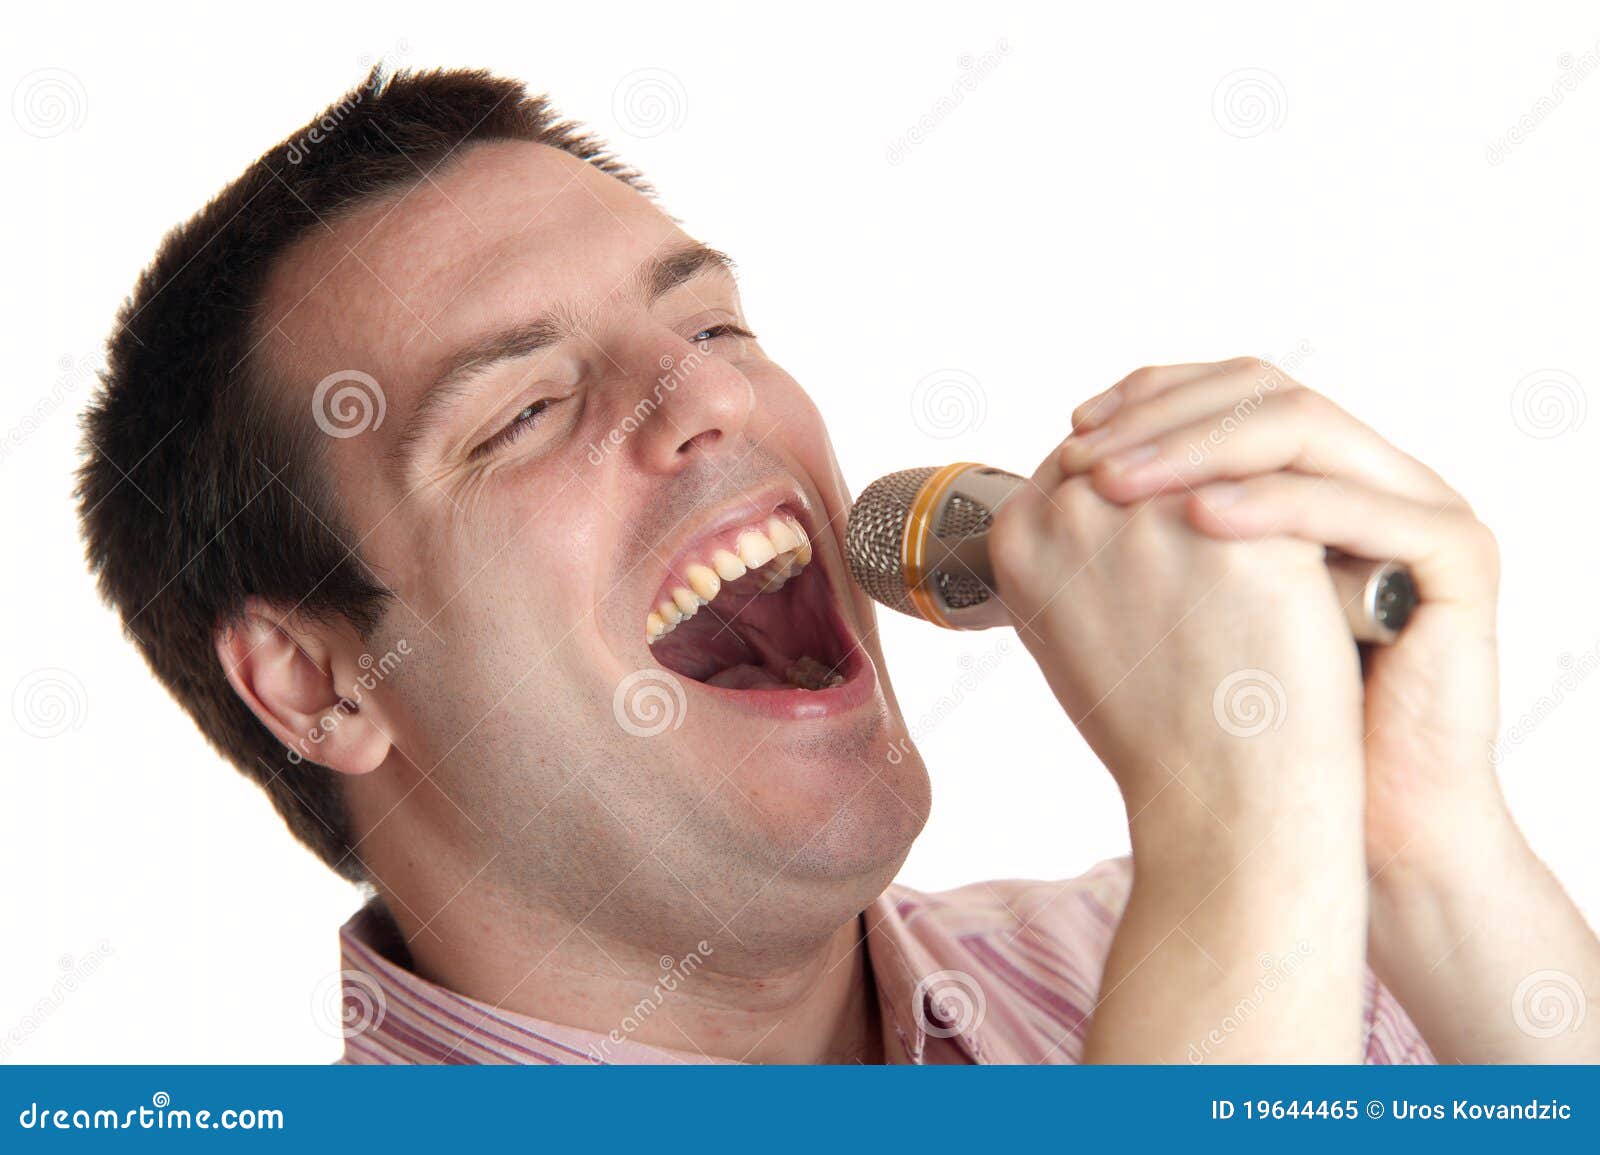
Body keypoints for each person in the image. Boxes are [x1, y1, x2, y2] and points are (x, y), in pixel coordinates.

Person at [77, 67, 1598, 1064]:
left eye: (715, 327)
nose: (713, 399)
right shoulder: (1232, 913)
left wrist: (1417, 857)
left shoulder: (1219, 940)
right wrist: (1233, 838)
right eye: (529, 409)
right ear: (323, 681)